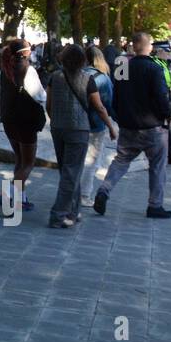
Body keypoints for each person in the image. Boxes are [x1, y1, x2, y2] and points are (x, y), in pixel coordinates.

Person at [93, 32, 171, 219]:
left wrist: (119, 116)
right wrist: (166, 116)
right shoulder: (154, 68)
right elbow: (161, 97)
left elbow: (116, 94)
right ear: (149, 46)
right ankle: (155, 205)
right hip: (153, 126)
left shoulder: (123, 66)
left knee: (121, 161)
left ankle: (104, 189)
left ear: (133, 46)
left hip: (129, 125)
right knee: (157, 166)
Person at [45, 44, 116, 228]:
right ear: (81, 60)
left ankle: (73, 211)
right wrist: (111, 126)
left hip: (58, 128)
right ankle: (58, 215)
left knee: (67, 171)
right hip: (78, 130)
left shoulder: (55, 77)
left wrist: (56, 120)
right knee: (71, 172)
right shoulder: (88, 79)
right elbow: (100, 107)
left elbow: (49, 104)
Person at [0, 39, 45, 214]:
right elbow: (39, 95)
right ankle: (8, 193)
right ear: (25, 53)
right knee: (28, 163)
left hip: (9, 121)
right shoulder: (29, 70)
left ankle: (21, 199)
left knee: (19, 160)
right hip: (26, 122)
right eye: (30, 49)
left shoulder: (4, 71)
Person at [80, 45, 119, 205]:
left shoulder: (78, 74)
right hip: (95, 124)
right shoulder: (103, 78)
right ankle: (84, 195)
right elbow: (106, 105)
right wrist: (111, 125)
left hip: (76, 123)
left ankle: (72, 192)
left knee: (76, 160)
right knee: (91, 161)